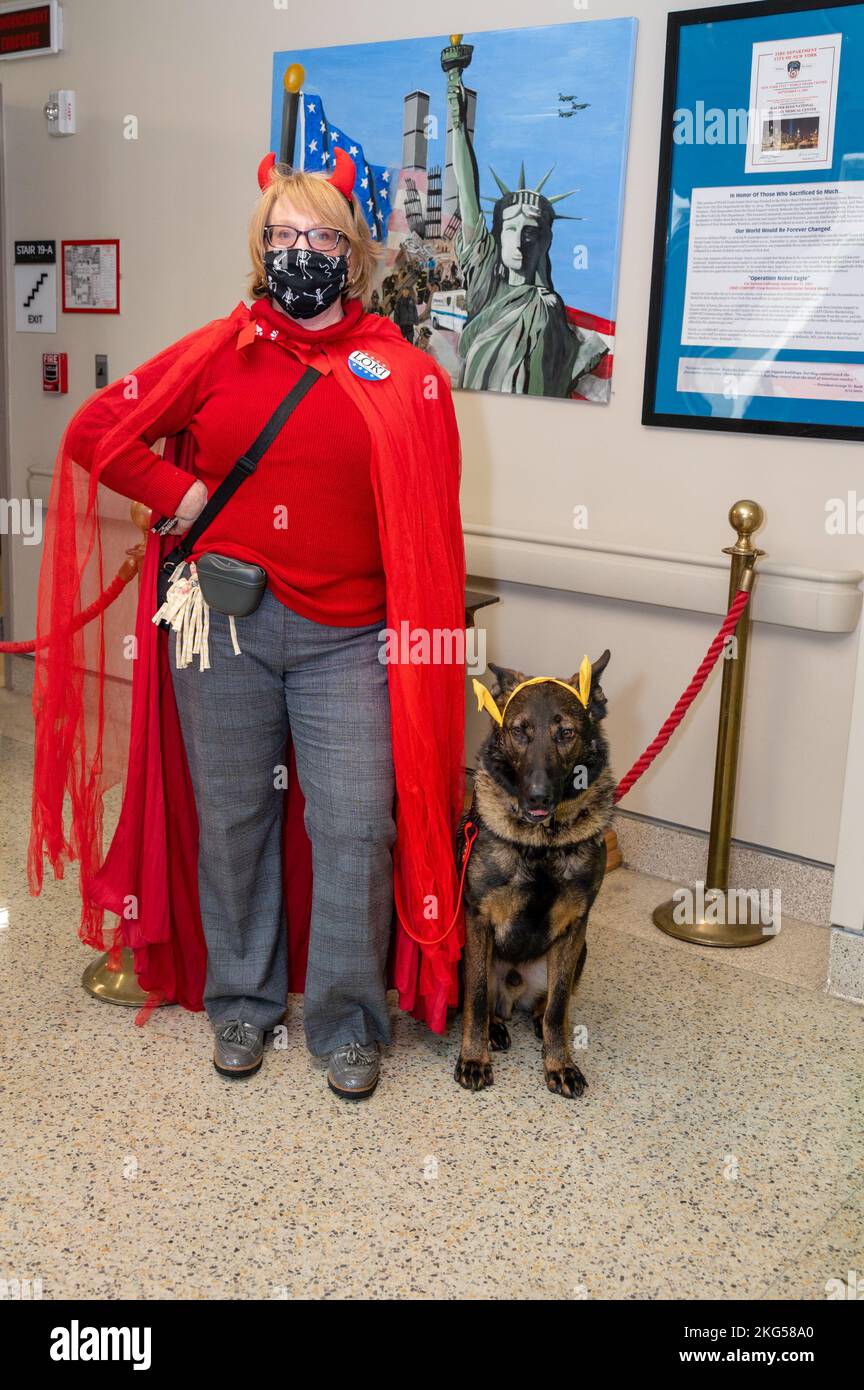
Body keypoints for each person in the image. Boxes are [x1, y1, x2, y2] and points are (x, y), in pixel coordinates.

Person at [29, 148, 467, 1100]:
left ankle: (348, 1024)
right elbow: (96, 432)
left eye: (318, 235)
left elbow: (430, 523)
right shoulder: (219, 351)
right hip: (222, 630)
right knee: (233, 819)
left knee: (355, 827)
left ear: (353, 256)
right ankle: (241, 1003)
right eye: (280, 234)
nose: (297, 250)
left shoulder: (401, 374)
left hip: (351, 638)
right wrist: (180, 492)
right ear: (260, 247)